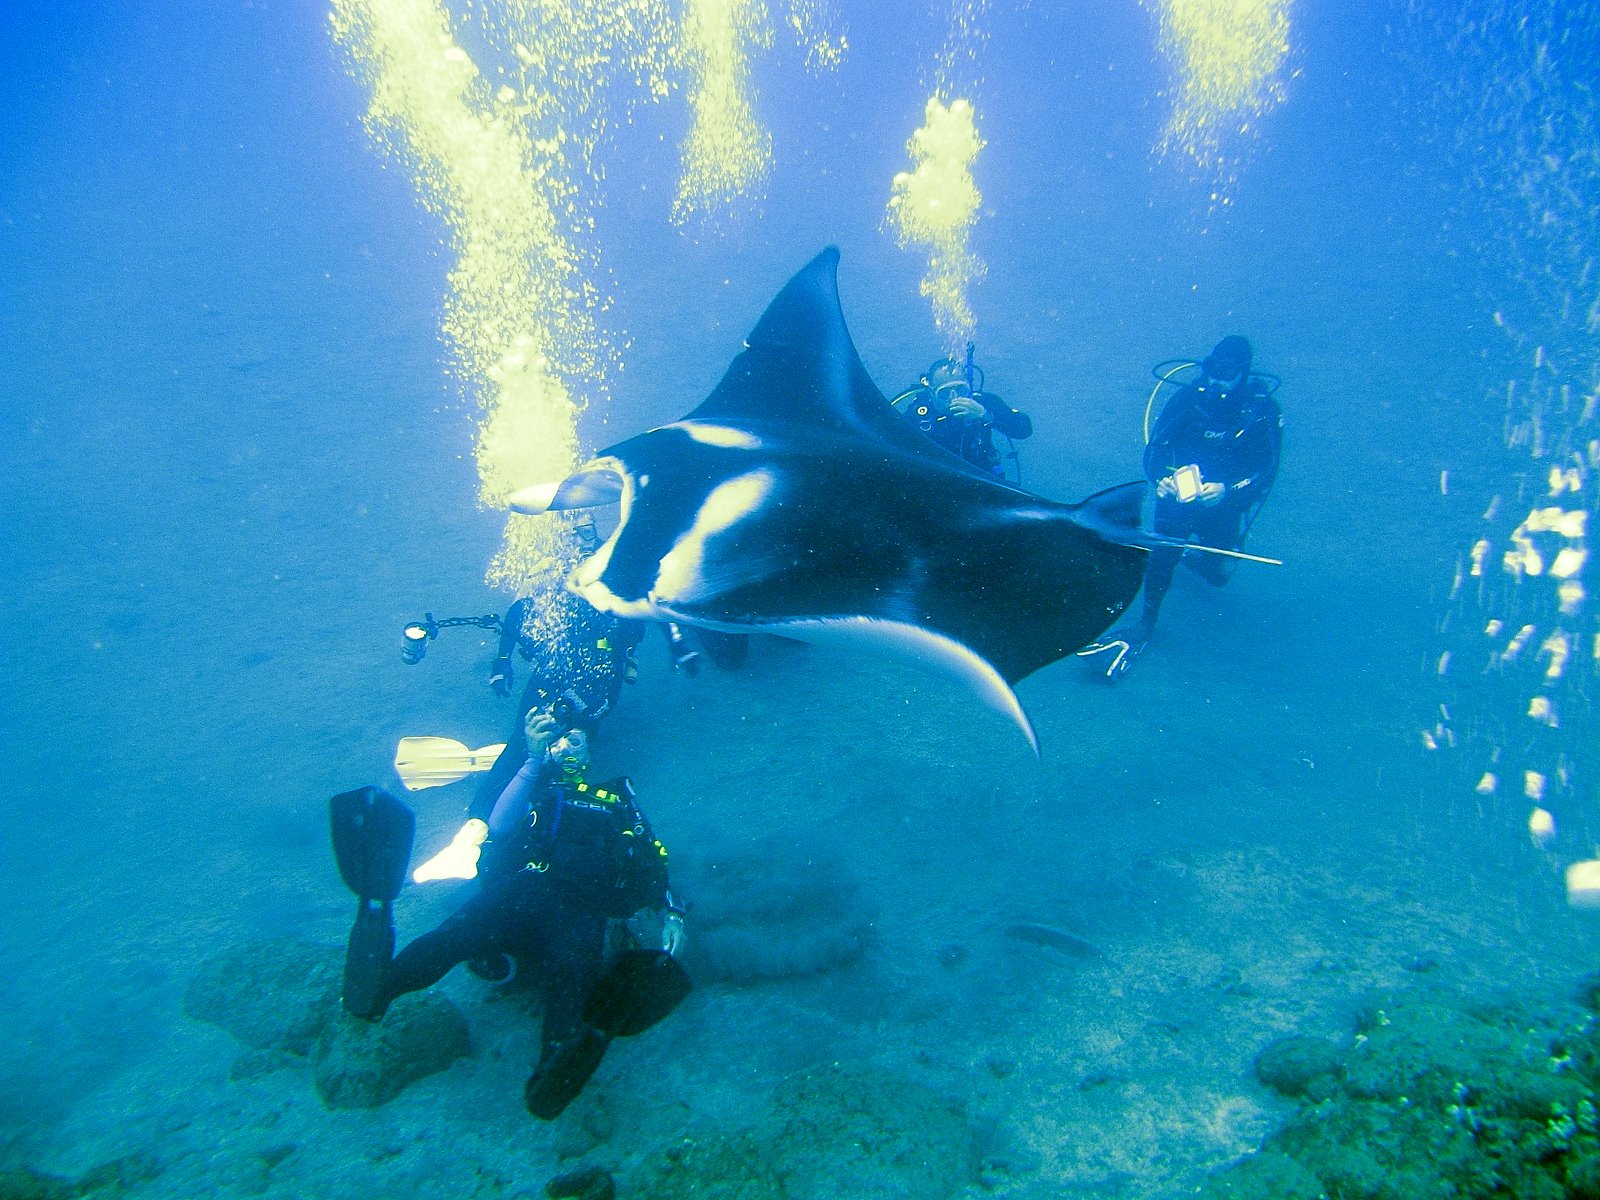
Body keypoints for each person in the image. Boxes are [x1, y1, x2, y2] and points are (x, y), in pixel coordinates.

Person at [332, 705, 689, 1119]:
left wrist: (673, 913)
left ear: (591, 752)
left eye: (575, 740)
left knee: (573, 976)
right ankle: (377, 988)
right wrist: (533, 758)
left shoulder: (619, 800)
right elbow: (498, 826)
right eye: (558, 740)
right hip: (523, 889)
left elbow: (652, 860)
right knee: (453, 936)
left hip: (581, 909)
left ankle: (553, 1072)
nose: (565, 747)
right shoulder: (536, 783)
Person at [1079, 335, 1283, 680]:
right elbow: (1155, 449)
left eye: (1228, 372)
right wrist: (1162, 479)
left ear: (1244, 372)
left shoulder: (1261, 410)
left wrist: (1229, 492)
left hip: (1223, 505)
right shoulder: (1187, 399)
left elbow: (1266, 470)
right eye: (1212, 370)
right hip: (1177, 500)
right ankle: (1146, 622)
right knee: (1161, 558)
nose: (1217, 380)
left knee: (1218, 575)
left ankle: (1201, 560)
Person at [891, 350, 1032, 478]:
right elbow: (892, 447)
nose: (954, 398)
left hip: (981, 480)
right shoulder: (919, 413)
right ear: (931, 392)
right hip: (933, 482)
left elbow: (1024, 429)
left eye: (961, 389)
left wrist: (985, 415)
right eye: (945, 393)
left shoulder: (983, 402)